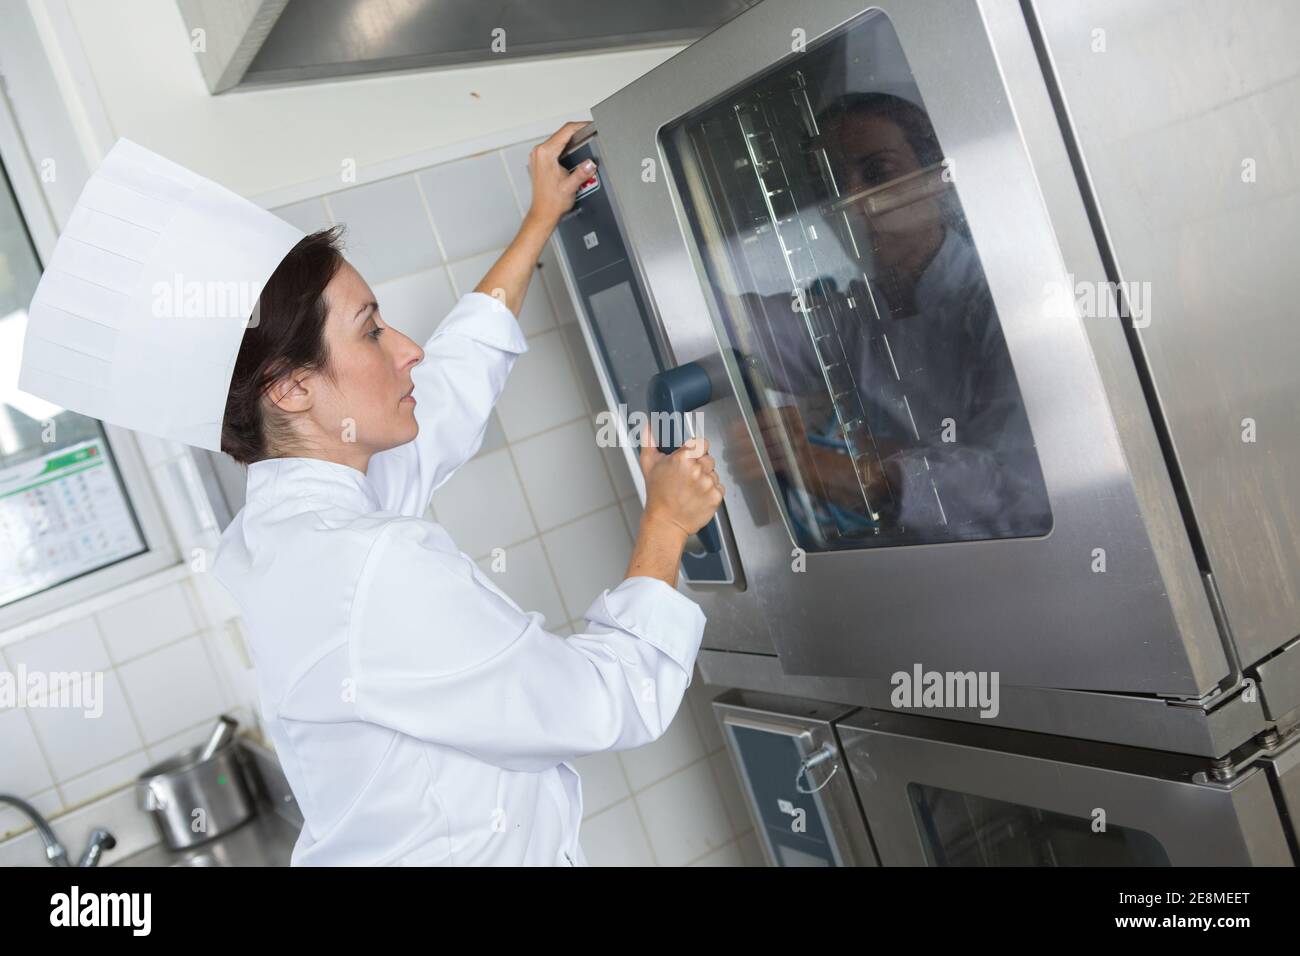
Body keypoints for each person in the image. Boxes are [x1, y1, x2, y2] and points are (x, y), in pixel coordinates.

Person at [18, 123, 724, 866]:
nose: (407, 347)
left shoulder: (292, 522)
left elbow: (448, 384)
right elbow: (599, 703)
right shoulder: (371, 563)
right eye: (372, 330)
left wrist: (540, 218)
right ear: (292, 388)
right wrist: (667, 525)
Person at [721, 93, 1050, 547]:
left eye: (877, 173)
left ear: (936, 178)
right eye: (833, 187)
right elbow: (736, 326)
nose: (854, 203)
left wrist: (845, 472)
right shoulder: (861, 311)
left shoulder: (1008, 309)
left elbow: (1023, 490)